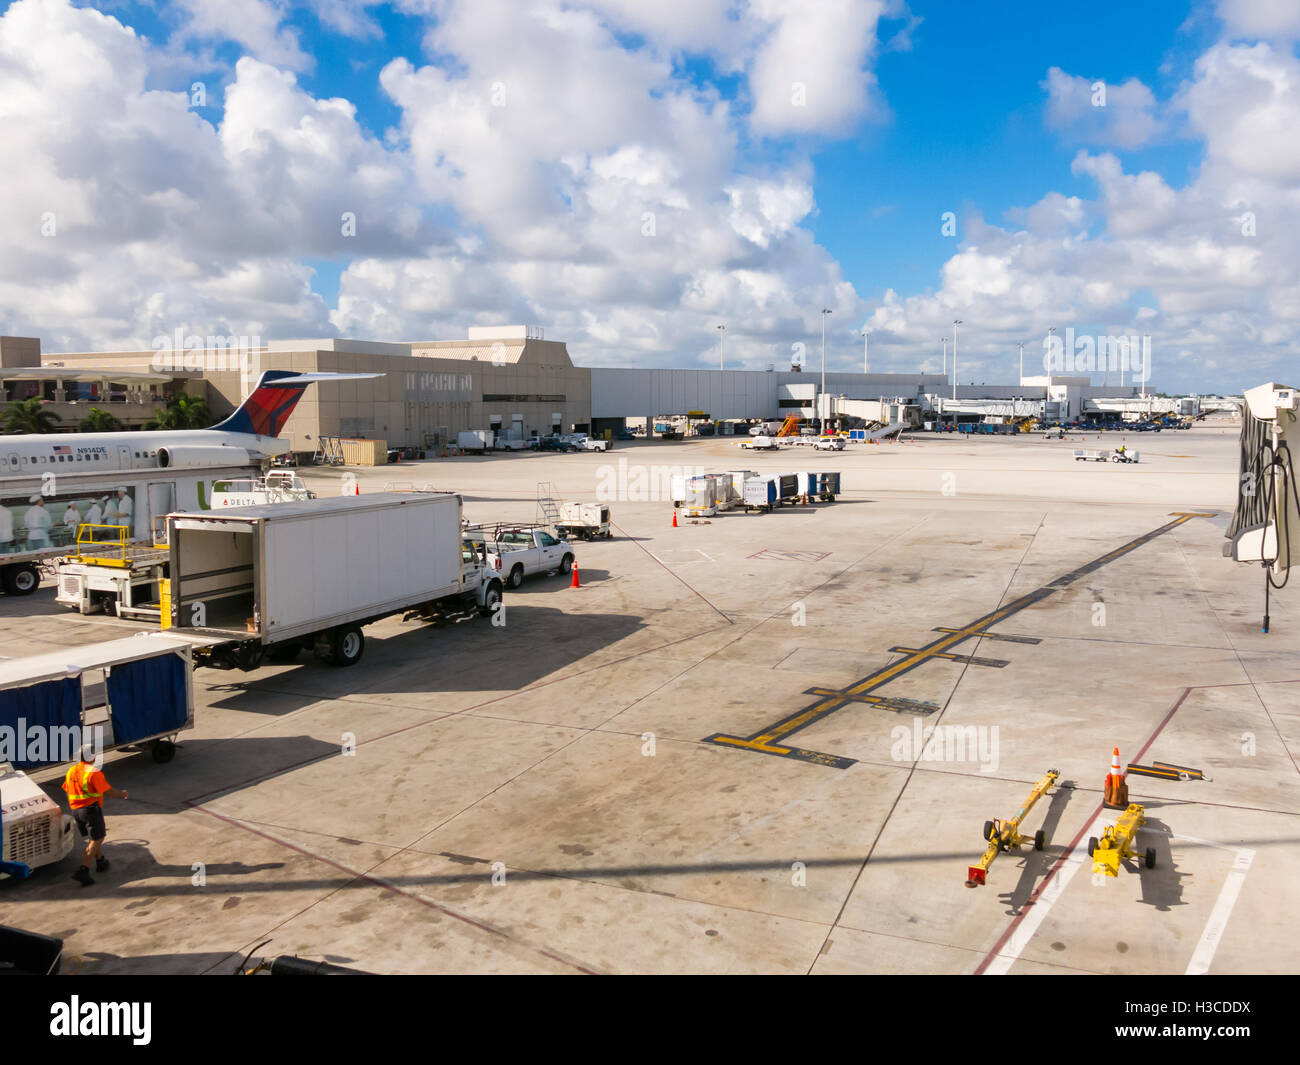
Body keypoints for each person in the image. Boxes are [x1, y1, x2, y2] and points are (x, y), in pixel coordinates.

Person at [61, 743, 128, 887]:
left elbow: (67, 789)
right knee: (98, 838)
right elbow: (107, 790)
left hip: (76, 811)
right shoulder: (93, 772)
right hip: (90, 810)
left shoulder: (71, 771)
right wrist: (121, 794)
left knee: (93, 837)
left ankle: (100, 861)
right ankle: (83, 870)